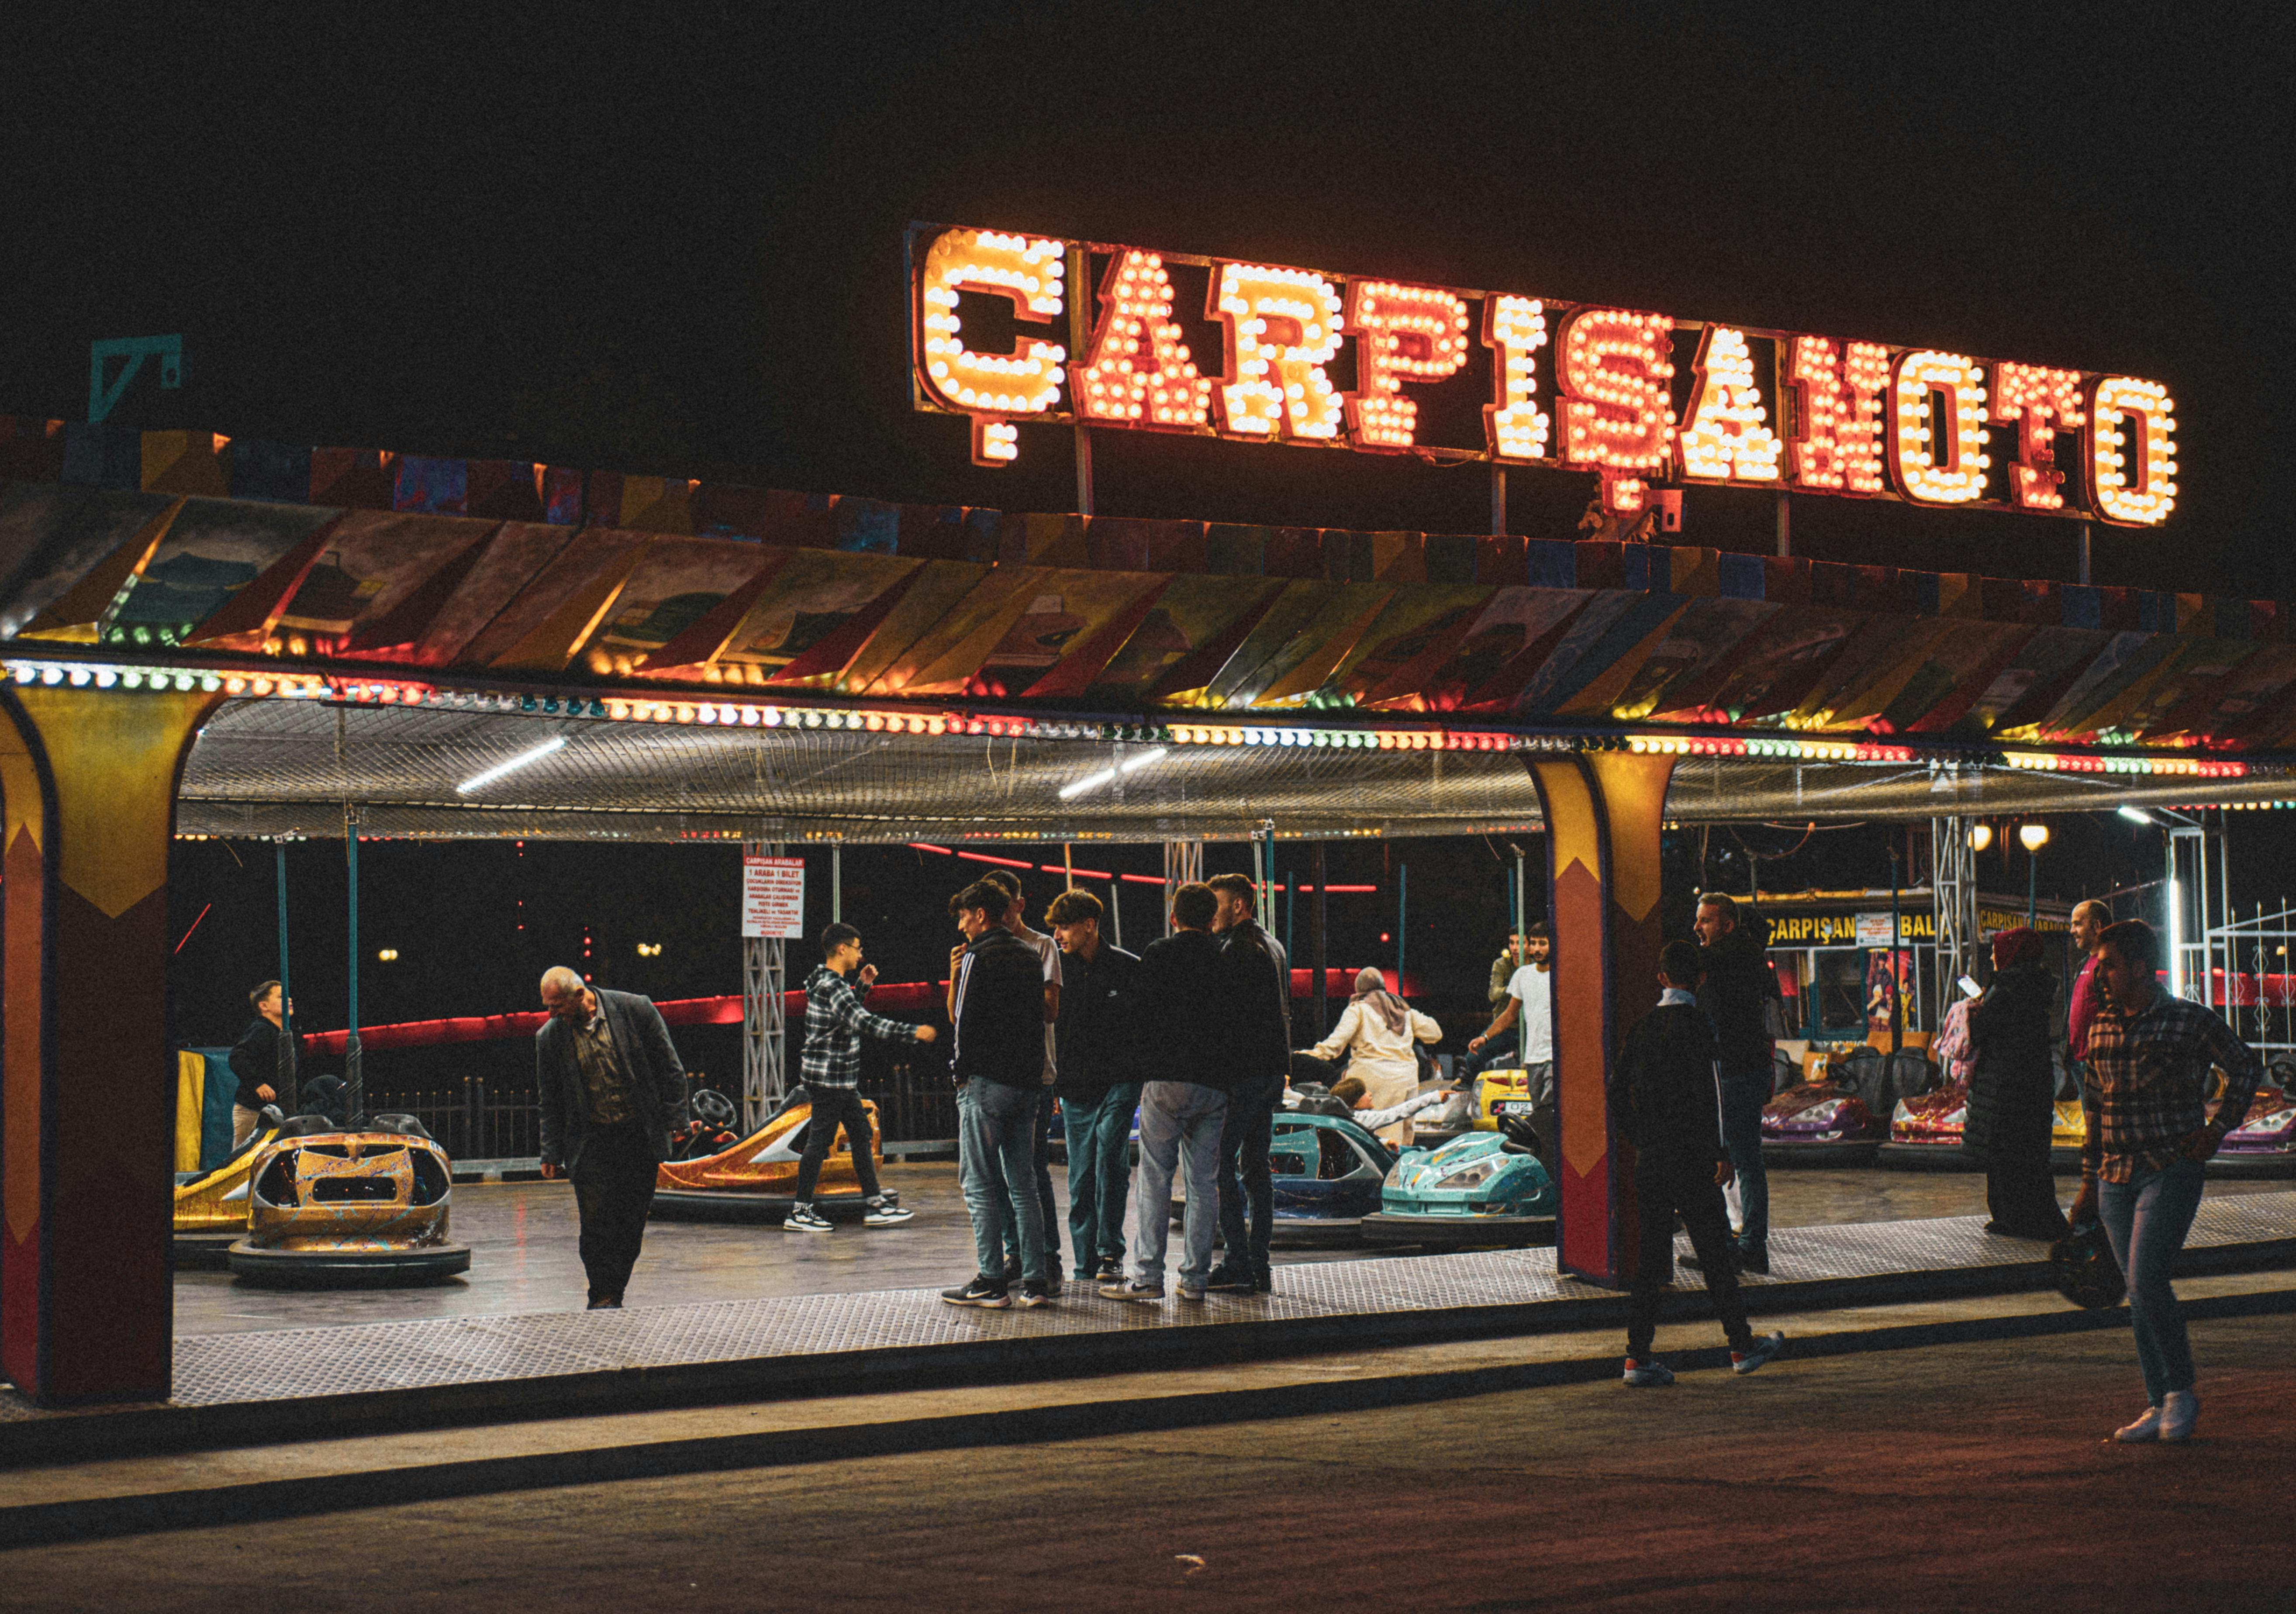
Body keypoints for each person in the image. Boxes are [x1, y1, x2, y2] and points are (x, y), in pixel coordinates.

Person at [2074, 919, 2261, 1443]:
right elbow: (2094, 1106)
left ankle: (2181, 1390)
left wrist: (2217, 1130)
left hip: (2168, 1166)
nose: (2100, 974)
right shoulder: (2102, 1025)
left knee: (2146, 1279)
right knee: (2136, 1289)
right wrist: (2088, 1182)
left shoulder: (2187, 1020)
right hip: (2114, 1173)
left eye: (2108, 964)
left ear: (2138, 967)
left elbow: (2244, 1067)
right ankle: (2157, 1400)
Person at [1611, 940, 1785, 1386]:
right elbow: (1714, 1096)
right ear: (1702, 979)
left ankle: (1637, 1357)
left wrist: (1640, 1136)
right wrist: (1720, 1152)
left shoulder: (1642, 1028)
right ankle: (1741, 1345)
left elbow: (1615, 1093)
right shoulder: (1701, 1027)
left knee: (1651, 1259)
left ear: (1661, 978)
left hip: (1651, 1158)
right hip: (1692, 1159)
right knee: (1714, 1255)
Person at [1102, 882, 1232, 1304]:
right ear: (1213, 919)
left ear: (1174, 917)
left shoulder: (1158, 953)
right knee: (1203, 1183)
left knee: (1155, 1177)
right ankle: (1195, 1279)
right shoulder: (1226, 956)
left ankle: (1148, 1277)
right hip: (1215, 1083)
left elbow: (1137, 1014)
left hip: (1166, 1079)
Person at [535, 966, 691, 1310]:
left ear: (580, 996)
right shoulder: (549, 1037)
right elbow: (550, 1100)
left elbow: (669, 1066)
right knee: (595, 1224)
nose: (551, 1013)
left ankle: (614, 1291)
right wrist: (550, 1151)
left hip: (638, 1136)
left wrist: (678, 1117)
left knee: (630, 1222)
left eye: (557, 1005)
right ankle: (601, 1295)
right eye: (548, 1006)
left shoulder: (635, 1010)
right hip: (591, 1142)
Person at [941, 880, 1055, 1309]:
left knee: (979, 1182)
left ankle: (991, 1281)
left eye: (964, 916)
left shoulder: (976, 956)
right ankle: (1036, 1282)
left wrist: (960, 1074)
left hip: (986, 1084)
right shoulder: (1030, 955)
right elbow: (1037, 1020)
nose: (961, 924)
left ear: (981, 915)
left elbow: (962, 1022)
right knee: (1023, 1184)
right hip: (1027, 1084)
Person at [784, 922, 934, 1233]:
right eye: (857, 947)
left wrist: (862, 988)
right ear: (842, 949)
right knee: (820, 1141)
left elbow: (845, 1017)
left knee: (861, 1134)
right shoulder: (833, 986)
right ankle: (800, 1211)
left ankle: (874, 1204)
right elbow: (863, 1022)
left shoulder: (827, 983)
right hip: (830, 1078)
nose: (860, 954)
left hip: (835, 1078)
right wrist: (913, 1032)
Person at [971, 867, 1065, 1284]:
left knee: (1029, 1173)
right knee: (997, 1177)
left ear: (1018, 905)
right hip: (999, 1072)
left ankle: (1045, 1259)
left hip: (1034, 1072)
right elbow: (960, 1019)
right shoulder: (975, 952)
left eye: (1005, 904)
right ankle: (1018, 1259)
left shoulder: (1040, 947)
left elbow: (1049, 1010)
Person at [1046, 887, 1142, 1284]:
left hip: (1119, 1083)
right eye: (1055, 928)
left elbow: (1142, 1029)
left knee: (1109, 1161)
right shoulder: (1057, 972)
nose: (1057, 935)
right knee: (1082, 1175)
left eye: (1065, 926)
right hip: (1075, 1089)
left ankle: (1108, 1253)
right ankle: (1087, 1263)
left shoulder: (1128, 967)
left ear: (1089, 925)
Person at [1208, 871, 1291, 1295]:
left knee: (1219, 1163)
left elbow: (1228, 1021)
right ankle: (1259, 1263)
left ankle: (1237, 1259)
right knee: (1257, 1169)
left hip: (1242, 1076)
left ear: (1238, 905)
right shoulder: (1272, 945)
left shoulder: (1237, 949)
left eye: (1217, 904)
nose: (1211, 914)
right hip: (1270, 1073)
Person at [1687, 893, 1780, 1274]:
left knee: (1741, 1159)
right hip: (1744, 1068)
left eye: (1705, 921)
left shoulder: (1727, 957)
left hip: (1734, 1071)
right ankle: (1740, 1244)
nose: (1697, 928)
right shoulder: (1748, 955)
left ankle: (1744, 1247)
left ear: (1726, 925)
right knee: (1742, 1159)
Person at [1964, 928, 2068, 1242]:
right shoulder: (2034, 985)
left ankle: (2018, 1220)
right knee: (2030, 1155)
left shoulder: (2007, 989)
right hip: (2031, 1082)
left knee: (2007, 1155)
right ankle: (2025, 1218)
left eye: (1998, 951)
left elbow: (1981, 1032)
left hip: (2006, 1086)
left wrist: (1974, 1009)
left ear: (2011, 954)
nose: (1993, 957)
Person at [1307, 967, 1443, 1148]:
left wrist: (1312, 1054)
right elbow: (1435, 1033)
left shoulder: (1358, 1009)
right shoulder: (1403, 1011)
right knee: (1404, 1139)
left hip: (1371, 1078)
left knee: (1377, 1138)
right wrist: (1408, 1014)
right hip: (1406, 1079)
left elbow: (1336, 1044)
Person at [1468, 923, 1553, 1161]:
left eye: (1542, 943)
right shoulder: (1523, 976)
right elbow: (1509, 1014)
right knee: (1540, 1115)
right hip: (1534, 1058)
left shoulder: (1561, 973)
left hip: (1555, 1056)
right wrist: (1486, 1037)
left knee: (1547, 1114)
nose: (1536, 949)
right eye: (1533, 943)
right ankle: (1542, 1164)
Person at [228, 979, 299, 1148]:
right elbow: (237, 1057)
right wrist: (258, 1084)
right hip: (253, 1110)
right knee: (241, 1161)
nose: (289, 999)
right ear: (264, 1006)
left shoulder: (285, 1033)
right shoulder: (262, 1029)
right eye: (282, 997)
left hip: (276, 1108)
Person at [1329, 1074, 1455, 1135]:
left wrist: (1385, 1143)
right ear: (1354, 1103)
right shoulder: (1361, 1119)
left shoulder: (1352, 1119)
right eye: (1364, 1093)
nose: (1370, 1094)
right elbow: (1396, 1113)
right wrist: (1431, 1097)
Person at [2067, 899, 2111, 1063]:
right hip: (2078, 1060)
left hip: (2096, 1060)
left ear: (2096, 926)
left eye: (2077, 924)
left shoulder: (2108, 964)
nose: (2072, 931)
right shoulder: (2084, 963)